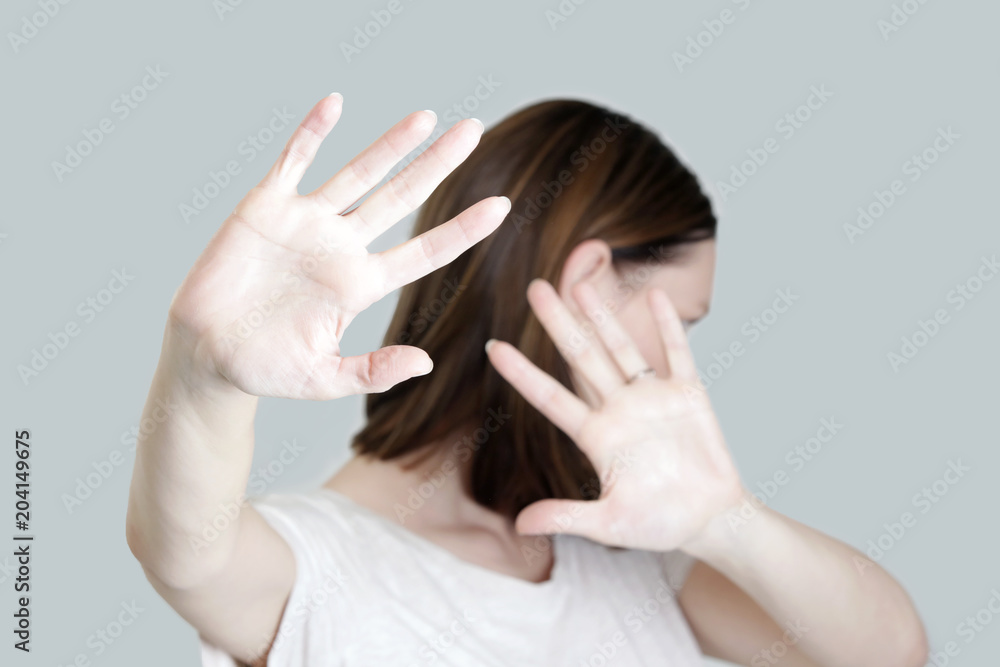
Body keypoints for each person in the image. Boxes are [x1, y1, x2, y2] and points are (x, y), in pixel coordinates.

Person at [125, 93, 928, 667]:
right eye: (680, 320)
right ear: (588, 283)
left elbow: (889, 655)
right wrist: (203, 375)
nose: (680, 357)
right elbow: (186, 554)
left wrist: (727, 520)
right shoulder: (308, 567)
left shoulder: (631, 561)